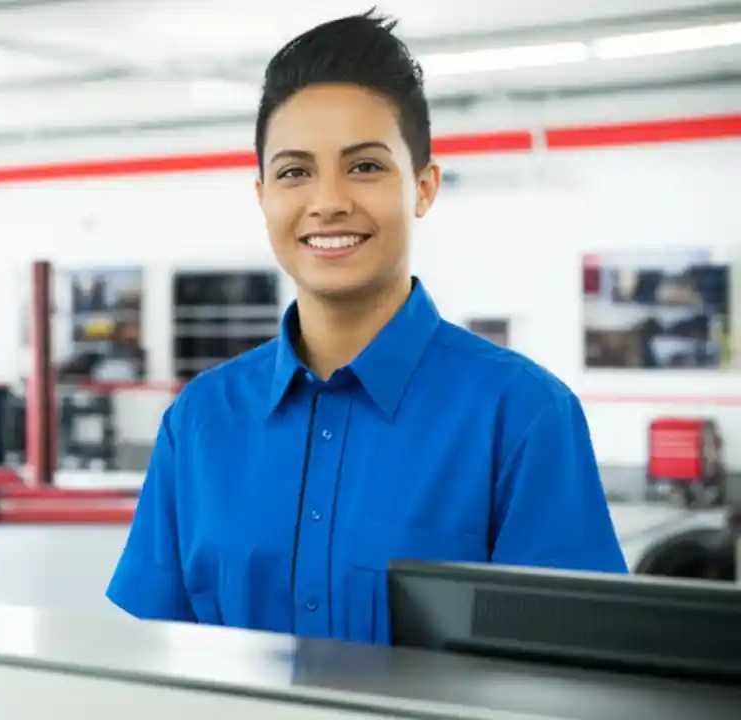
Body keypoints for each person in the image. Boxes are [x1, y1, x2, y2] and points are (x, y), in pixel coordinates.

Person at [106, 11, 626, 644]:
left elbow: (570, 674)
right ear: (263, 194)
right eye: (295, 172)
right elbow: (152, 659)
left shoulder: (522, 417)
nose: (327, 201)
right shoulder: (200, 422)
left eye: (365, 167)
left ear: (424, 188)